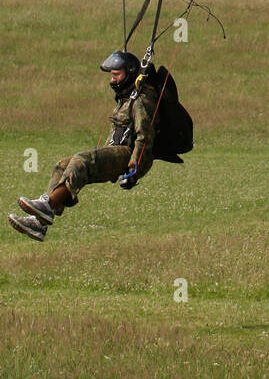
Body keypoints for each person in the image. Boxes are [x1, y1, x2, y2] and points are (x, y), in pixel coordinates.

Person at [9, 49, 160, 241]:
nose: (112, 80)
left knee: (81, 161)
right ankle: (39, 223)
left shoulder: (142, 99)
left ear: (129, 73)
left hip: (130, 156)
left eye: (116, 75)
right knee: (63, 164)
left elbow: (144, 136)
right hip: (117, 150)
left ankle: (47, 207)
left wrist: (134, 168)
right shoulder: (126, 96)